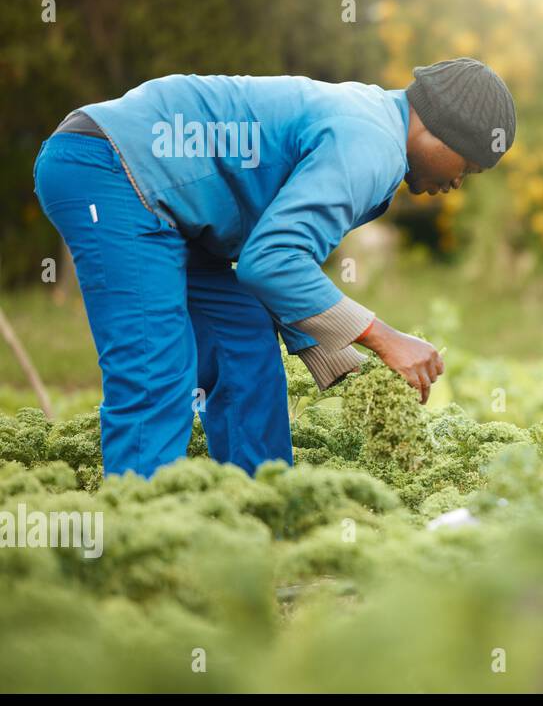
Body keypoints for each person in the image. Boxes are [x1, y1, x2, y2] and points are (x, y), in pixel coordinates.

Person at [33, 59, 515, 477]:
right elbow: (272, 262)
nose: (457, 182)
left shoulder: (373, 125)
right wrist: (386, 338)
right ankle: (141, 546)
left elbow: (276, 265)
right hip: (111, 169)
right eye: (466, 166)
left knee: (244, 344)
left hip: (169, 205)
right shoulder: (372, 147)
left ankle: (265, 516)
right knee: (155, 370)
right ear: (438, 130)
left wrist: (351, 369)